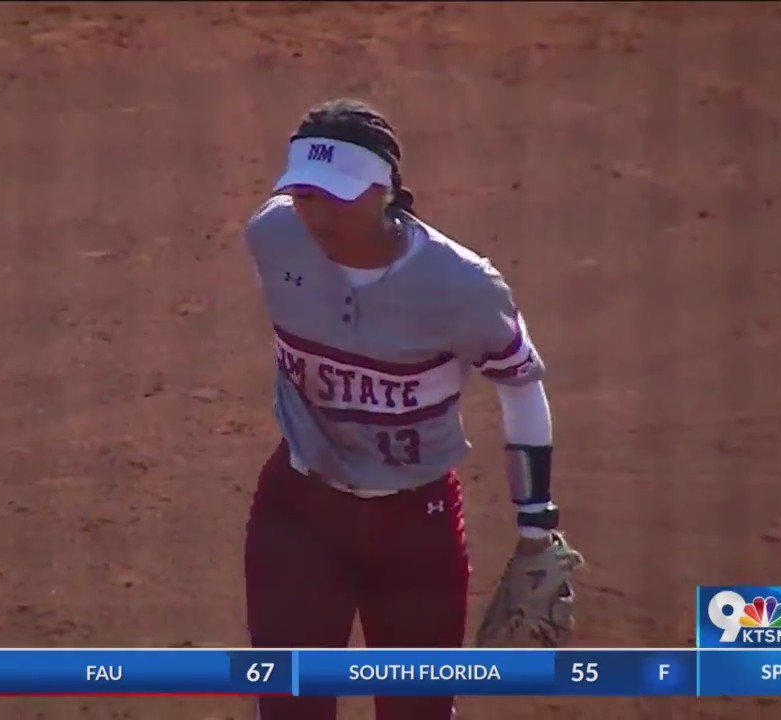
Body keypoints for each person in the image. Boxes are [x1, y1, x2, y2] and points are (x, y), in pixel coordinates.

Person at [241, 98, 586, 720]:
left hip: (413, 529)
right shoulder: (273, 236)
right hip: (298, 515)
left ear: (383, 191)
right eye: (304, 195)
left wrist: (537, 527)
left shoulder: (463, 287)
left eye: (335, 194)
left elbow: (520, 382)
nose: (315, 213)